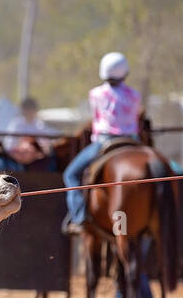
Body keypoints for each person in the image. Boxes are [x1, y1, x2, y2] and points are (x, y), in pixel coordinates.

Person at [62, 53, 144, 235]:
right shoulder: (135, 95)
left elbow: (96, 119)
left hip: (105, 141)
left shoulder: (96, 94)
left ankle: (79, 217)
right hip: (133, 142)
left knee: (71, 174)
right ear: (125, 73)